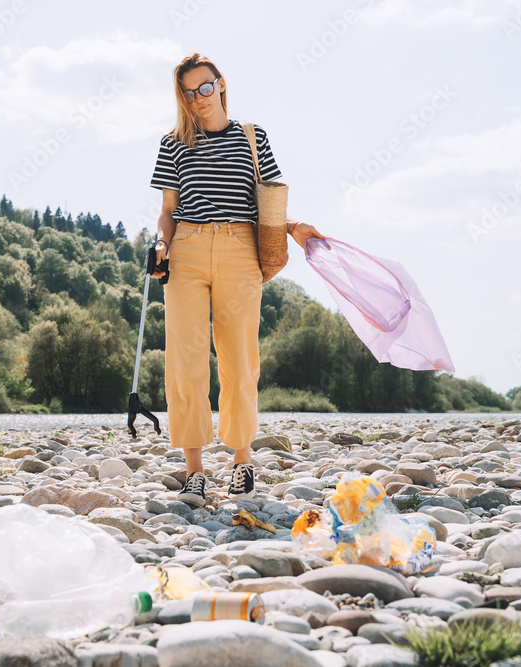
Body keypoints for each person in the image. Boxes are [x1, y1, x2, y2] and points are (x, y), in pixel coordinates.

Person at [149, 53, 325, 507]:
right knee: (185, 360)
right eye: (189, 92)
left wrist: (295, 227)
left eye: (205, 87)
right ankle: (194, 471)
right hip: (186, 249)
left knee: (240, 359)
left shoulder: (253, 137)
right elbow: (168, 211)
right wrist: (162, 245)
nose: (198, 98)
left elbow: (269, 203)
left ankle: (242, 463)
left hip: (241, 249)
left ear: (221, 84)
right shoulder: (173, 143)